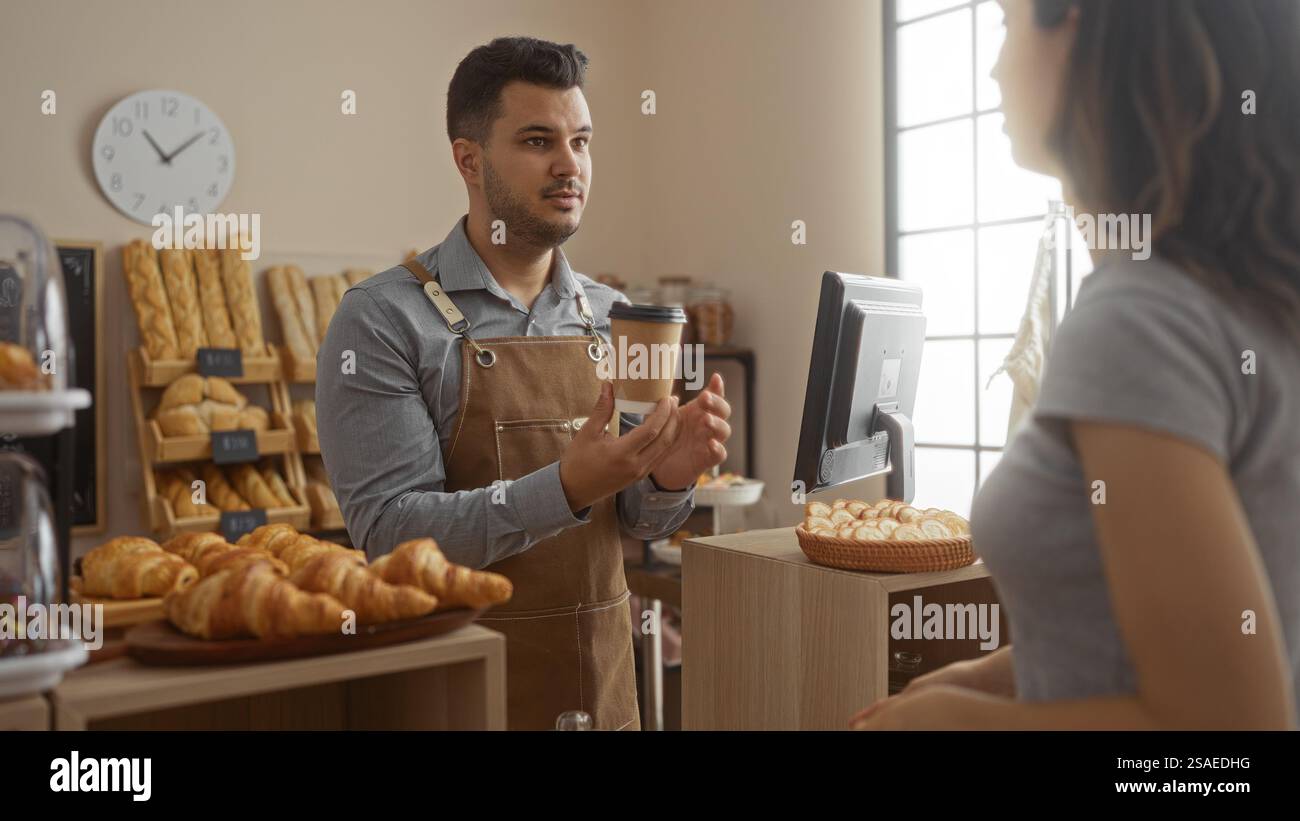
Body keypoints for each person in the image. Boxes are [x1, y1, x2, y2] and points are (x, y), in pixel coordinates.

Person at [853, 0, 1300, 730]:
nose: (995, 65)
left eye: (1008, 21)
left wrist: (944, 725)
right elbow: (1132, 636)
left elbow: (1222, 754)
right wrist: (991, 677)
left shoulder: (1137, 321)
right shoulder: (1241, 296)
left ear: (1086, 30)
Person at [316, 37, 733, 730]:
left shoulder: (612, 317)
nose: (570, 165)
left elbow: (635, 521)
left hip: (600, 696)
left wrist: (668, 476)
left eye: (582, 141)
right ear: (468, 160)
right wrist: (565, 485)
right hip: (456, 699)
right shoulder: (382, 320)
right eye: (539, 140)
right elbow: (394, 536)